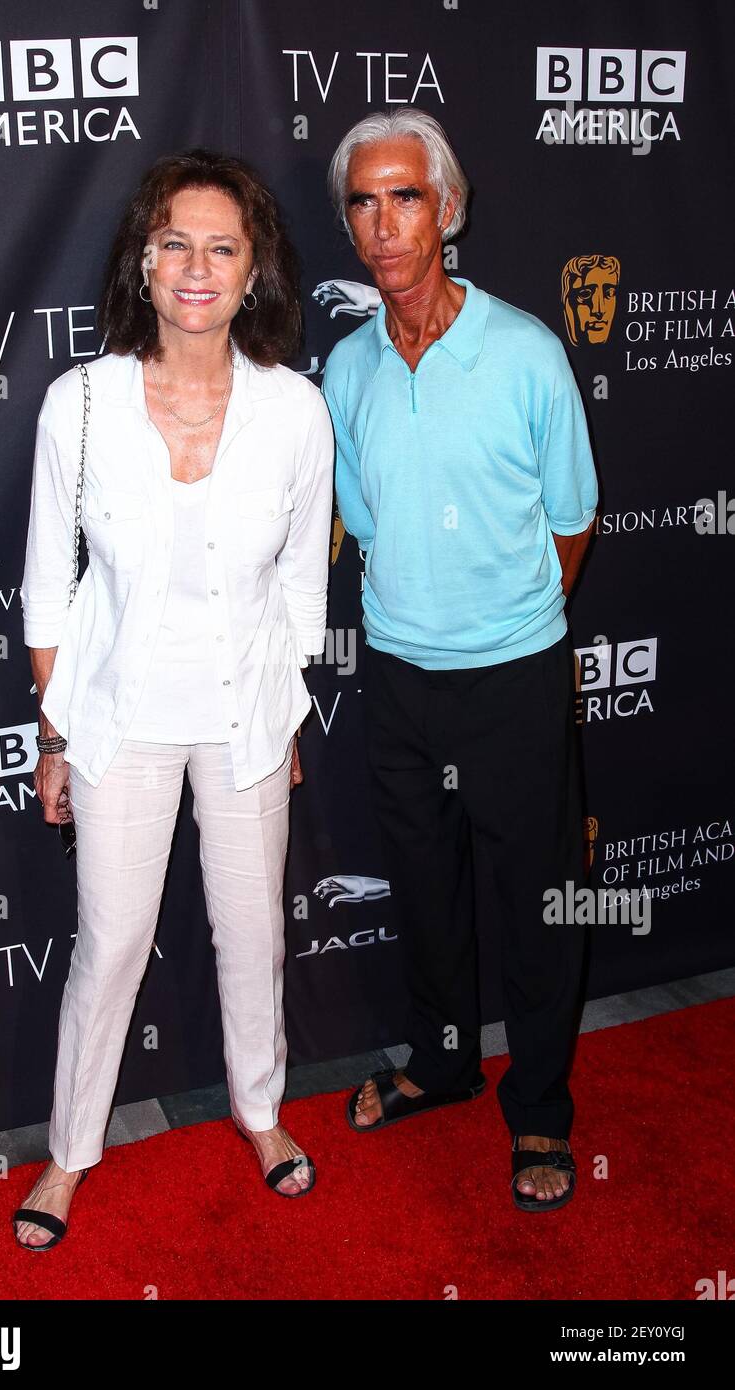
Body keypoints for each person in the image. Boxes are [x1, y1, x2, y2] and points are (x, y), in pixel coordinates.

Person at [14, 149, 335, 1249]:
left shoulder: (293, 411)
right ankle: (66, 1155)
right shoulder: (82, 403)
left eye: (221, 248)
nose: (196, 268)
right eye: (174, 245)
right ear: (143, 264)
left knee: (252, 934)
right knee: (109, 943)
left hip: (247, 717)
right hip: (118, 719)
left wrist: (283, 709)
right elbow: (46, 586)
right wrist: (56, 735)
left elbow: (303, 580)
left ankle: (261, 1115)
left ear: (253, 273)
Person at [321, 109, 598, 1212]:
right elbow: (360, 518)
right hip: (396, 685)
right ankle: (439, 1065)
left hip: (513, 686)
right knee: (427, 899)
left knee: (537, 908)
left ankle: (537, 1108)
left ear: (447, 207)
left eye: (405, 196)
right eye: (362, 201)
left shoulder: (526, 350)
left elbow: (571, 522)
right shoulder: (344, 368)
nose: (383, 224)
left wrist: (505, 623)